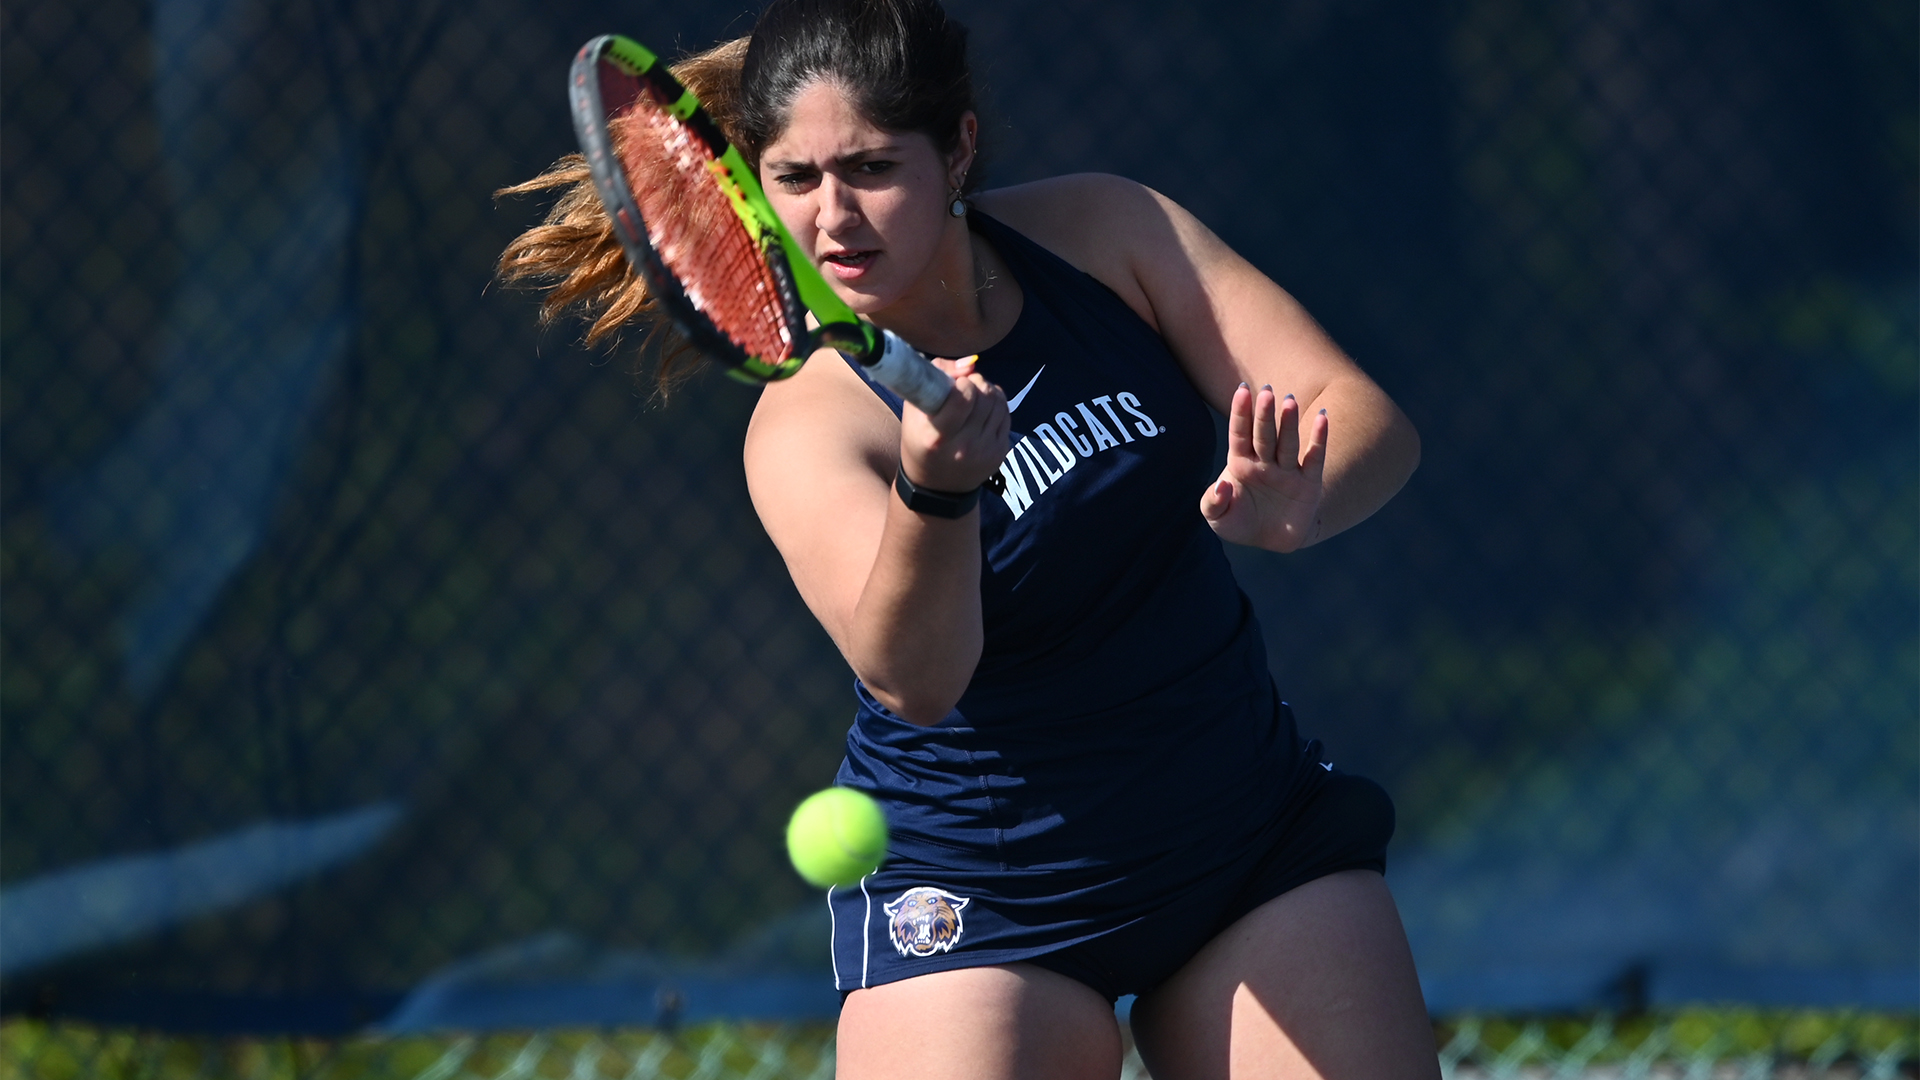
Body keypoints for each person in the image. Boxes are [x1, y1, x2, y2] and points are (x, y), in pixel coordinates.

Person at [500, 0, 1433, 1075]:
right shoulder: (806, 424)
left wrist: (1305, 499)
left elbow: (1363, 419)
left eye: (871, 169)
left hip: (1240, 838)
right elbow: (917, 679)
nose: (835, 217)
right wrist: (934, 493)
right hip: (979, 902)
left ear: (959, 150)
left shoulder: (1109, 233)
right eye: (796, 180)